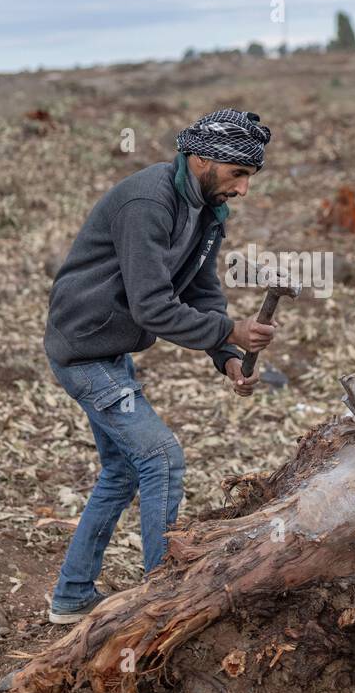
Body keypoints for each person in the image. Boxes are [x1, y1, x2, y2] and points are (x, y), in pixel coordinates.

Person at [42, 108, 277, 624]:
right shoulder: (149, 201)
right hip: (85, 351)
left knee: (123, 471)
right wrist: (230, 330)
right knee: (161, 457)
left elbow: (198, 289)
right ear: (200, 159)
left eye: (249, 177)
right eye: (237, 174)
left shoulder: (207, 209)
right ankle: (161, 601)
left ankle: (72, 597)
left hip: (111, 349)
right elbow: (152, 306)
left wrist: (226, 356)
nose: (243, 190)